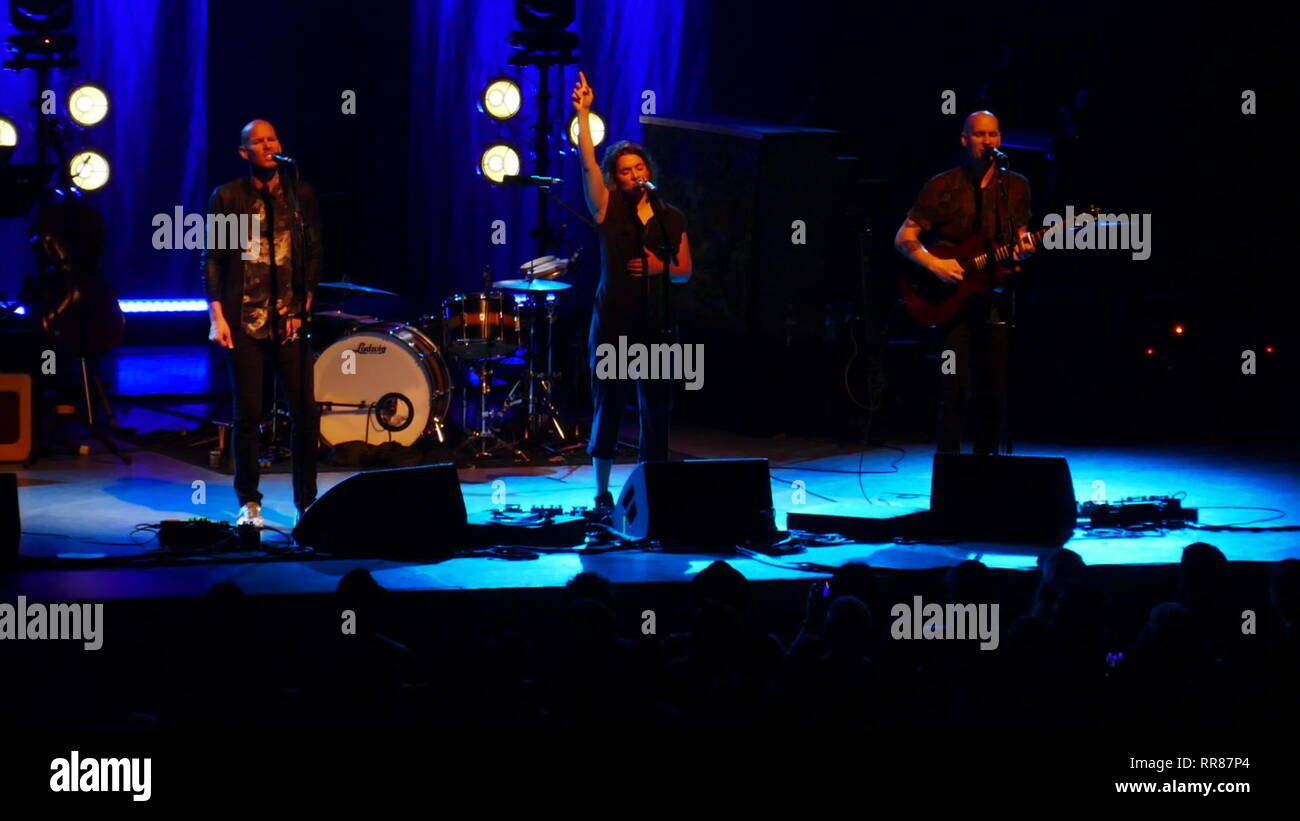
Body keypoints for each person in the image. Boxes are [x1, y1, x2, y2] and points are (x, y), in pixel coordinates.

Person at [571, 71, 693, 512]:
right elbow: (587, 164)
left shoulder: (670, 216)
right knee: (609, 406)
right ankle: (602, 493)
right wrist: (584, 114)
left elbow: (683, 272)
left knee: (655, 411)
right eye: (625, 171)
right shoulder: (607, 211)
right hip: (614, 325)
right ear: (615, 179)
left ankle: (652, 488)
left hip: (657, 327)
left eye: (639, 168)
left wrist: (662, 266)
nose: (634, 175)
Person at [894, 110, 1035, 454]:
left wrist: (1024, 250)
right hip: (951, 301)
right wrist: (935, 264)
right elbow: (903, 238)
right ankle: (949, 474)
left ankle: (986, 474)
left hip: (995, 298)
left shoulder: (1015, 186)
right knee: (954, 389)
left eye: (994, 135)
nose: (988, 142)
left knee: (994, 393)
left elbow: (1017, 240)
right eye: (980, 135)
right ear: (964, 139)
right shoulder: (942, 185)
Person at [203, 119, 322, 526]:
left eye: (272, 138)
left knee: (306, 412)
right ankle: (249, 501)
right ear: (244, 152)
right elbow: (213, 258)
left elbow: (312, 257)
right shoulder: (228, 196)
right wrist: (216, 315)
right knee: (248, 414)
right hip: (243, 320)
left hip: (288, 321)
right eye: (258, 141)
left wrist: (302, 308)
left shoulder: (299, 196)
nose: (267, 145)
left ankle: (307, 500)